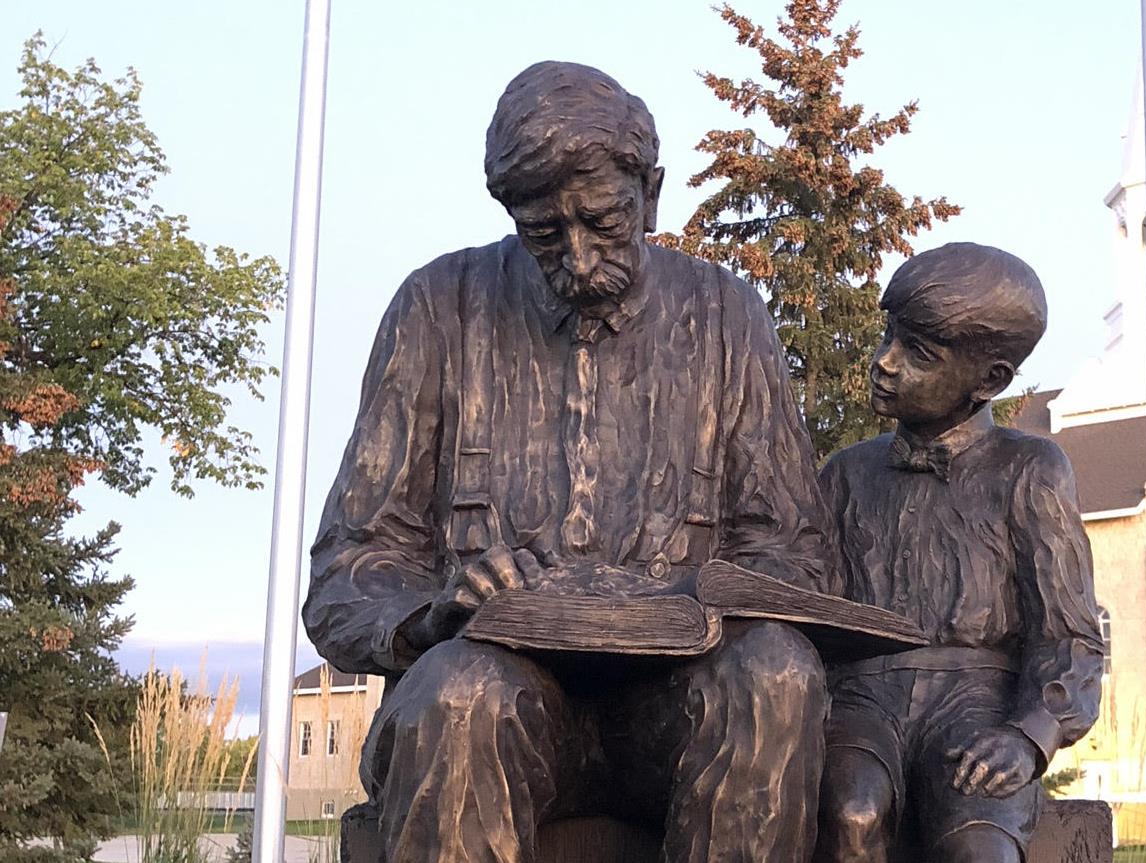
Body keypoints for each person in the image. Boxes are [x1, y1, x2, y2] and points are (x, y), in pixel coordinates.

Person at [303, 61, 832, 863]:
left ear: (650, 193)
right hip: (501, 699)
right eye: (544, 234)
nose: (578, 260)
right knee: (461, 691)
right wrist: (434, 610)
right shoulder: (436, 308)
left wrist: (708, 602)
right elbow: (350, 565)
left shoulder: (728, 314)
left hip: (672, 706)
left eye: (603, 223)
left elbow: (790, 545)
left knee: (776, 677)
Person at [815, 243, 1106, 863]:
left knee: (980, 851)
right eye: (888, 336)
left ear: (990, 380)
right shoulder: (844, 474)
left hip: (977, 705)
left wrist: (1033, 734)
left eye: (917, 353)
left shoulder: (1032, 469)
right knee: (851, 813)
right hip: (862, 701)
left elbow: (1070, 631)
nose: (884, 362)